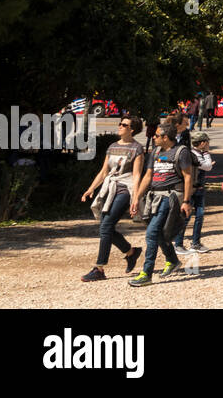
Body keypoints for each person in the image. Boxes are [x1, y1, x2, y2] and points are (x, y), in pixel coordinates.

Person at [128, 122, 194, 286]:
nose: (154, 137)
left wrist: (186, 201)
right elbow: (148, 176)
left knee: (151, 233)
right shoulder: (156, 151)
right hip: (154, 198)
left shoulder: (181, 152)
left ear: (166, 137)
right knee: (158, 234)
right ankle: (172, 260)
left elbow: (188, 177)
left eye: (157, 135)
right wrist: (136, 197)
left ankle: (146, 273)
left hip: (170, 197)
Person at [80, 116, 145, 281]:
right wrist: (90, 189)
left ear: (132, 130)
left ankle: (99, 269)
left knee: (106, 225)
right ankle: (131, 252)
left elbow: (137, 175)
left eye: (124, 125)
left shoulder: (137, 148)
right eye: (120, 123)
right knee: (105, 226)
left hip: (126, 189)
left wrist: (136, 197)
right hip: (111, 187)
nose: (120, 126)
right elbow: (103, 172)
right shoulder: (113, 146)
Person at [175, 131, 214, 255]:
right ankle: (178, 243)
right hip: (191, 189)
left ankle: (195, 242)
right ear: (202, 143)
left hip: (200, 188)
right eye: (207, 142)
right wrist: (207, 155)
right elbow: (208, 166)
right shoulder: (192, 155)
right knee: (186, 217)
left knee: (200, 215)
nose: (208, 145)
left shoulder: (197, 153)